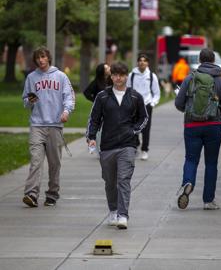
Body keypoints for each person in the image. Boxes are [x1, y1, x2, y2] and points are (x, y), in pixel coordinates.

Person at [87, 62, 148, 229]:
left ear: (126, 76)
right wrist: (91, 137)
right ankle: (113, 210)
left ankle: (123, 215)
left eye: (121, 75)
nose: (118, 78)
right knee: (110, 182)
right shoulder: (102, 96)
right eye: (114, 75)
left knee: (123, 180)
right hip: (107, 146)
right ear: (111, 76)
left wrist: (134, 131)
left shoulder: (135, 96)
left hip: (127, 145)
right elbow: (94, 119)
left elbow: (144, 118)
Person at [175, 48, 221, 210]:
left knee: (191, 159)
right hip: (214, 126)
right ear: (214, 60)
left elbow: (178, 103)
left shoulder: (190, 79)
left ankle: (188, 181)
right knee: (210, 163)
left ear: (200, 60)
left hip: (191, 125)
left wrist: (188, 110)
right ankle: (208, 200)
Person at [22, 46, 75, 208]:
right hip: (37, 124)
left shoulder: (61, 76)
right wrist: (28, 101)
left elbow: (69, 97)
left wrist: (66, 111)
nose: (41, 60)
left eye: (43, 57)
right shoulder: (31, 78)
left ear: (48, 58)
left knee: (54, 163)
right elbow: (25, 100)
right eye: (38, 58)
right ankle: (31, 193)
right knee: (36, 160)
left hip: (55, 125)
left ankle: (52, 194)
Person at [127, 53, 160, 160]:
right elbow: (127, 90)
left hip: (147, 105)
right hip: (134, 105)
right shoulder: (131, 75)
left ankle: (145, 150)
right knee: (133, 126)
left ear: (147, 63)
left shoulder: (151, 76)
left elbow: (156, 93)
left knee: (146, 128)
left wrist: (152, 103)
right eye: (140, 60)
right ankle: (135, 144)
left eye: (144, 61)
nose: (142, 62)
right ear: (137, 62)